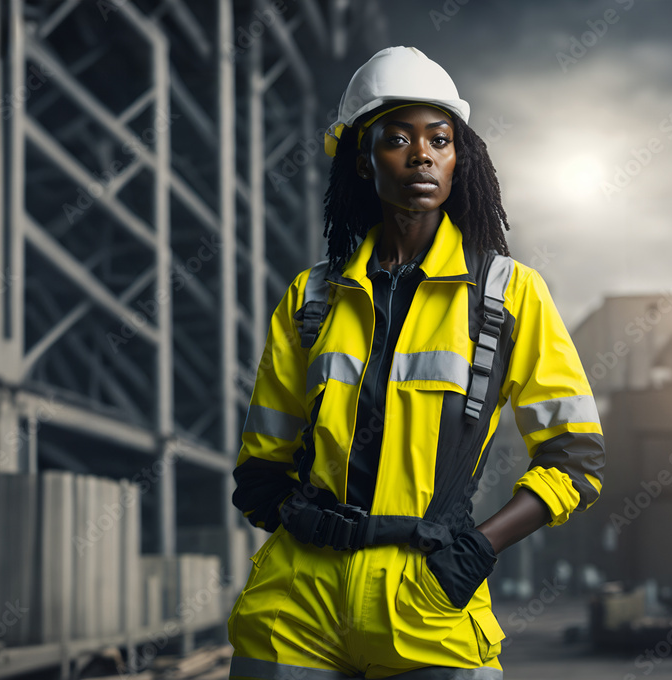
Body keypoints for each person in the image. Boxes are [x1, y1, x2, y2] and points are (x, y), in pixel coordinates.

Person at [228, 46, 605, 679]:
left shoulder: (509, 295)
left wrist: (476, 552)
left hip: (428, 602)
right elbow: (261, 469)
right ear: (362, 157)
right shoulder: (311, 298)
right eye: (398, 139)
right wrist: (305, 526)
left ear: (461, 159)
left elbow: (576, 460)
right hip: (297, 608)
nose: (422, 154)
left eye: (440, 139)